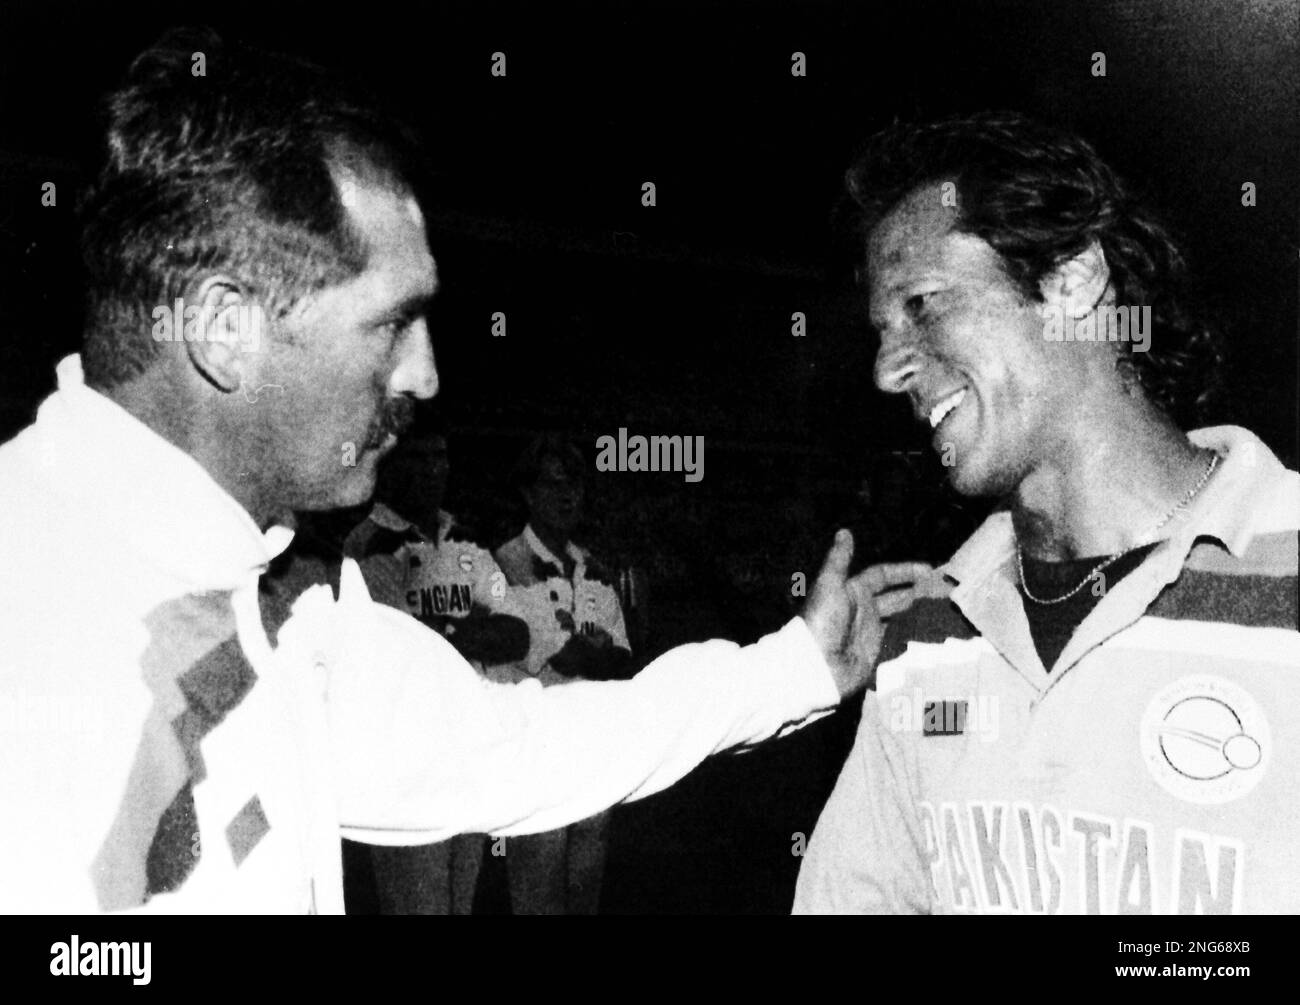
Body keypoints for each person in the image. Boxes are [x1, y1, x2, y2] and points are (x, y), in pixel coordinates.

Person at [0, 28, 936, 913]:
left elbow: (520, 744)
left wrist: (796, 665)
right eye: (389, 322)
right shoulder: (31, 613)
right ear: (222, 329)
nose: (426, 374)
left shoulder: (279, 612)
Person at [793, 111, 1300, 915]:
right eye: (883, 331)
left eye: (922, 304)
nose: (889, 369)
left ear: (1069, 281)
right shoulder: (930, 629)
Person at [343, 429, 526, 914]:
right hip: (407, 753)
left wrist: (443, 633)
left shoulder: (464, 538)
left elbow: (517, 631)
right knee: (416, 905)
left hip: (468, 744)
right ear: (393, 466)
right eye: (420, 459)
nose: (434, 471)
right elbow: (392, 648)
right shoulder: (368, 543)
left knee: (460, 904)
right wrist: (469, 629)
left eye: (441, 458)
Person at [493, 434, 630, 914]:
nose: (567, 495)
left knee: (585, 894)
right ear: (528, 493)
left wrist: (592, 654)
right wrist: (593, 653)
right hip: (535, 751)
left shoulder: (594, 567)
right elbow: (566, 658)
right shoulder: (507, 562)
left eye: (574, 484)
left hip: (592, 748)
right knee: (538, 896)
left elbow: (622, 660)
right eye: (553, 485)